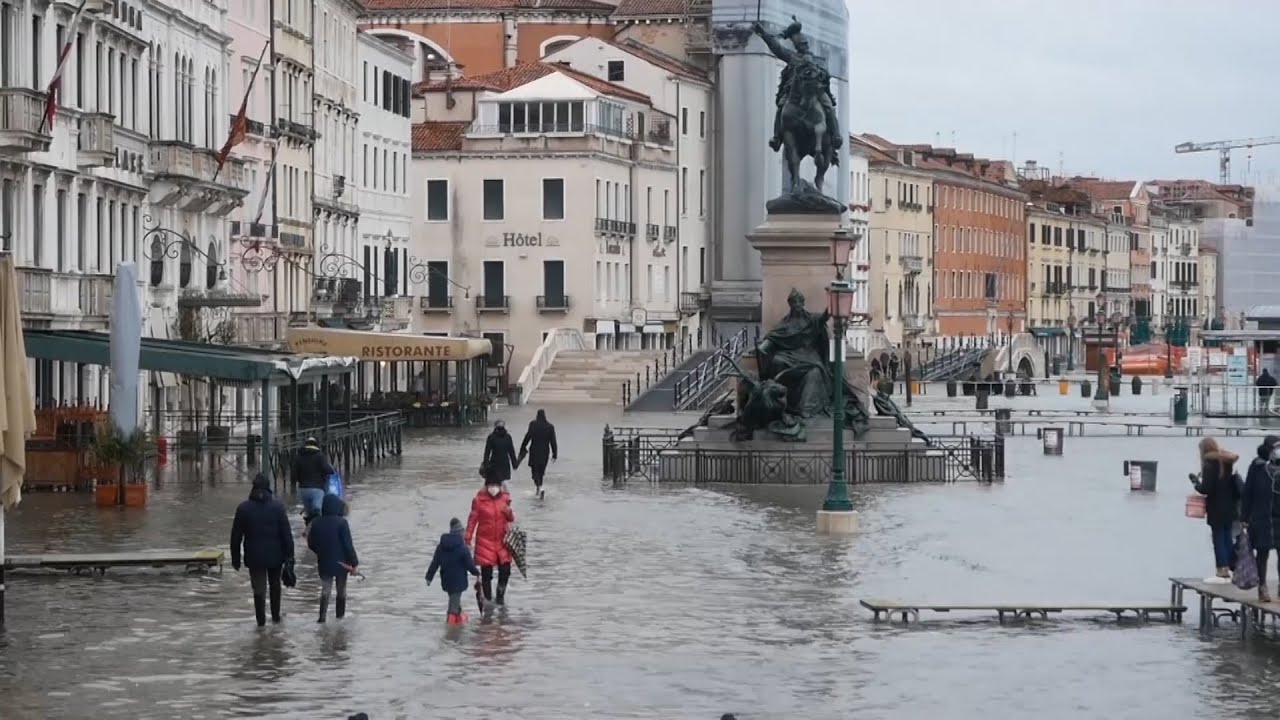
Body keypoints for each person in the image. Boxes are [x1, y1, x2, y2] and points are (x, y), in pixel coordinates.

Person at [230, 473, 295, 627]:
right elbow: (286, 534)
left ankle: (260, 623)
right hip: (276, 556)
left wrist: (236, 559)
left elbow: (235, 537)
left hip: (254, 557)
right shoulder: (278, 508)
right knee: (275, 585)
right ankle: (276, 618)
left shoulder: (243, 509)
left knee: (258, 588)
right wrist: (290, 557)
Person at [1191, 438, 1242, 580]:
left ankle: (1222, 569)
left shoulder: (1209, 465)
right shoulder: (1227, 463)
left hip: (1216, 508)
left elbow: (1206, 489)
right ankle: (1232, 565)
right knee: (1227, 537)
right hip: (1230, 507)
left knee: (1218, 539)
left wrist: (1195, 482)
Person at [306, 493, 359, 623]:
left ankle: (322, 618)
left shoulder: (316, 522)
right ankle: (339, 618)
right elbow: (348, 545)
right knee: (341, 591)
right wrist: (355, 563)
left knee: (325, 590)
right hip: (342, 564)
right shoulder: (342, 523)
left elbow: (311, 543)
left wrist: (321, 552)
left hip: (324, 562)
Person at [466, 473, 515, 608]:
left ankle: (500, 596)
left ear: (500, 487)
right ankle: (488, 600)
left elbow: (511, 519)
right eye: (491, 485)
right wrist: (468, 538)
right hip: (484, 542)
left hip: (502, 542)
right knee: (486, 573)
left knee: (505, 570)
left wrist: (508, 511)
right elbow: (472, 520)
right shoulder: (479, 501)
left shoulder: (505, 499)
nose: (493, 488)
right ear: (486, 486)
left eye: (496, 485)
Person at [1242, 435, 1280, 601]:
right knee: (1262, 553)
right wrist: (1244, 516)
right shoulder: (1256, 467)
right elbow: (1247, 492)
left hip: (1278, 516)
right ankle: (1262, 587)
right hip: (1260, 516)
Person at [425, 517, 481, 624]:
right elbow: (469, 564)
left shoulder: (441, 547)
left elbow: (435, 563)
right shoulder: (463, 548)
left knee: (454, 599)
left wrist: (429, 577)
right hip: (458, 581)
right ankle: (451, 629)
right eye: (463, 531)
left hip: (446, 579)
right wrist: (477, 572)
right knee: (453, 604)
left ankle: (458, 618)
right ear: (459, 532)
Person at [291, 437, 335, 524]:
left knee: (309, 513)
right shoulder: (320, 456)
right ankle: (316, 531)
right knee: (317, 512)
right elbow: (328, 470)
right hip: (317, 489)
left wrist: (294, 486)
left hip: (303, 489)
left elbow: (293, 475)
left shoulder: (299, 457)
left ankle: (308, 530)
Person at [519, 409, 558, 499]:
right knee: (541, 471)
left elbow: (527, 436)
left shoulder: (533, 424)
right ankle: (539, 489)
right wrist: (554, 454)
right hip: (545, 452)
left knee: (534, 472)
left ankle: (539, 487)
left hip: (534, 451)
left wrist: (523, 447)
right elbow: (553, 442)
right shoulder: (550, 427)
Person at [482, 419, 520, 489]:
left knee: (495, 484)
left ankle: (497, 497)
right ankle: (506, 497)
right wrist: (514, 464)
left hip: (494, 464)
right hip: (505, 464)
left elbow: (487, 453)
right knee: (503, 482)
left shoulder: (491, 437)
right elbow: (511, 452)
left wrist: (486, 465)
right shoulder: (508, 437)